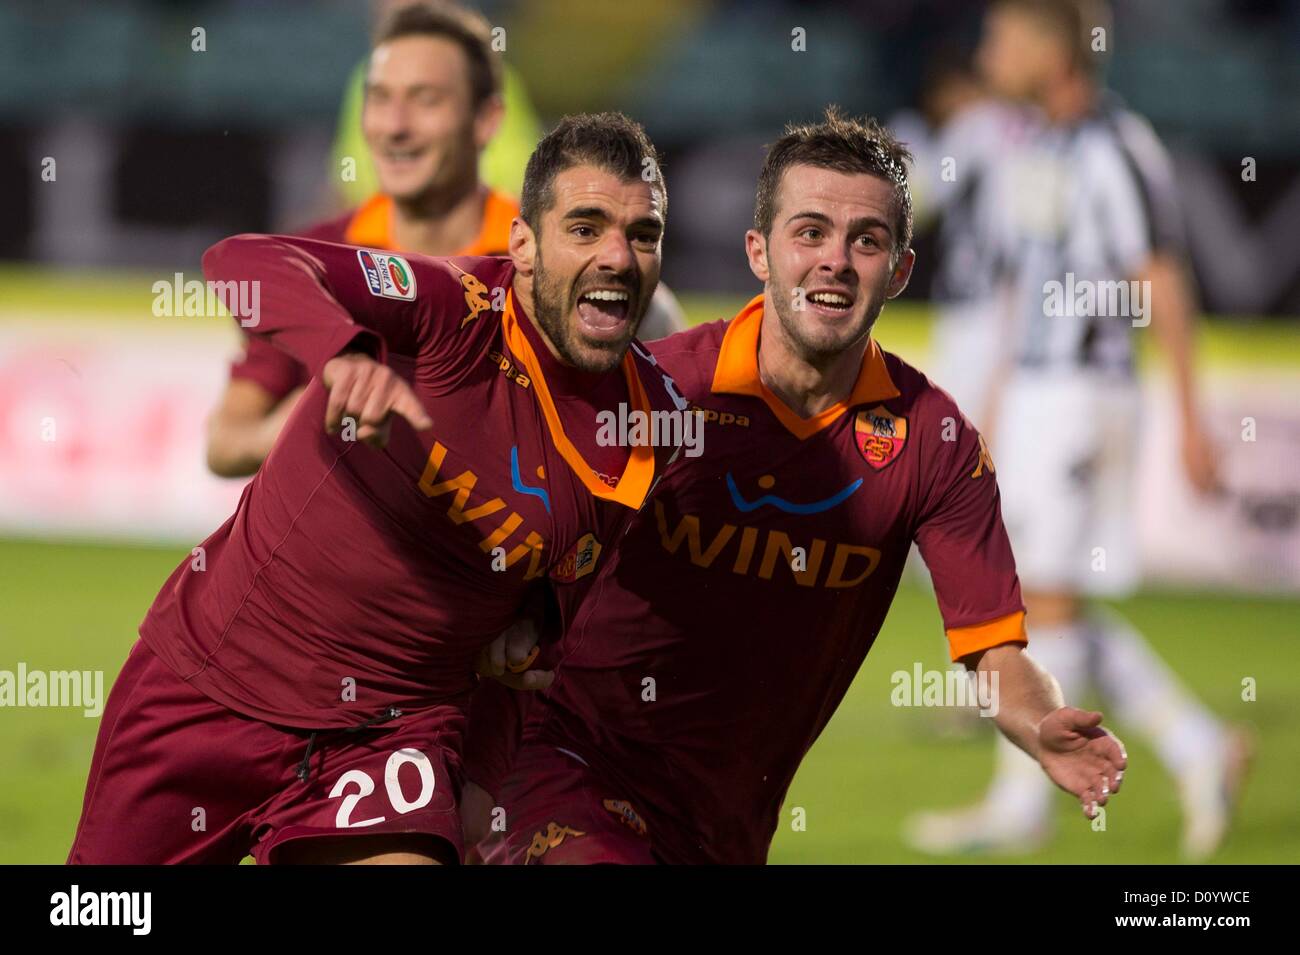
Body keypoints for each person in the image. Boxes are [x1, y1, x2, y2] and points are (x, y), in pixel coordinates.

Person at [466, 108, 1127, 865]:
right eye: (809, 232)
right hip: (563, 759)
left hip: (726, 825)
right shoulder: (656, 393)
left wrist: (1040, 723)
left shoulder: (933, 443)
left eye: (866, 241)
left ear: (902, 269)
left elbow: (995, 653)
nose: (835, 261)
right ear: (760, 251)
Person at [68, 112, 686, 865]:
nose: (618, 255)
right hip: (211, 686)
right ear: (523, 245)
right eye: (585, 228)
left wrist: (483, 781)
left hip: (388, 733)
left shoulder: (645, 432)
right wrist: (343, 353)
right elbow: (242, 262)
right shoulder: (451, 310)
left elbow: (525, 655)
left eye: (643, 234)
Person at [904, 0, 1249, 860]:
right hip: (1036, 395)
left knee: (1040, 600)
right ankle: (1183, 748)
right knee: (1037, 602)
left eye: (1003, 37)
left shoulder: (1114, 146)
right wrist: (991, 400)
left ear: (1051, 51)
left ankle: (1119, 769)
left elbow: (1159, 275)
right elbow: (1023, 286)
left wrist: (1192, 416)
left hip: (1089, 395)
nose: (989, 53)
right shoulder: (1037, 146)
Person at [207, 0, 684, 478]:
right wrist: (317, 408)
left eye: (426, 100)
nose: (395, 126)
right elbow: (224, 446)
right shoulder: (313, 261)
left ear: (486, 120)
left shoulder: (551, 263)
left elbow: (679, 437)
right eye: (380, 99)